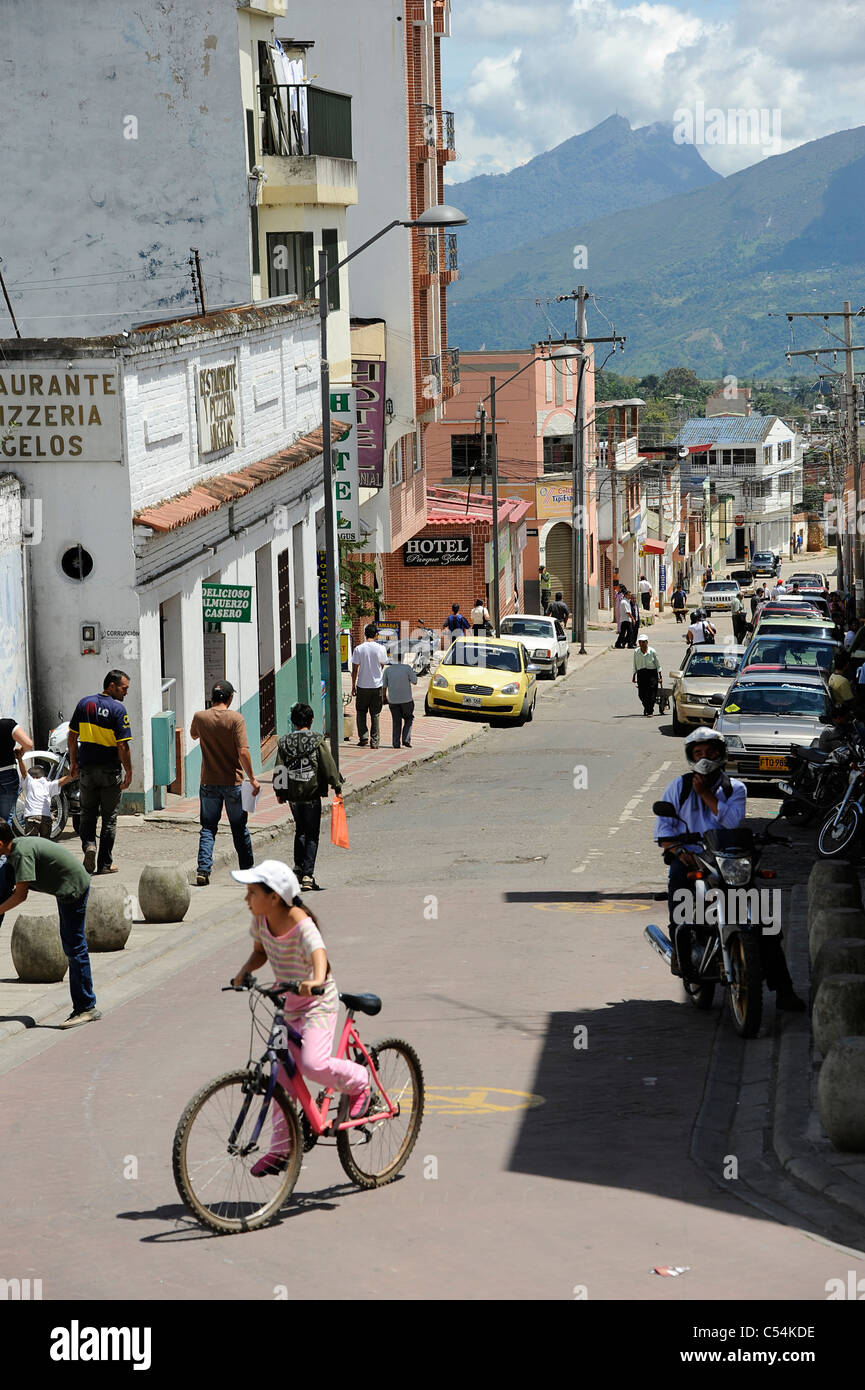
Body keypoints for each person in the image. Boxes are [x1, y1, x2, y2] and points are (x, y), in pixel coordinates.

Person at [229, 861, 372, 1173]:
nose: (246, 899)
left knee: (312, 1063)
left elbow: (319, 955)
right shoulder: (261, 919)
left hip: (317, 1004)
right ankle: (281, 1149)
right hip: (286, 1005)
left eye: (252, 892)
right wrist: (244, 972)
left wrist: (317, 981)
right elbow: (260, 952)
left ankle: (360, 1083)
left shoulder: (301, 923)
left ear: (275, 897)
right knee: (280, 1078)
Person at [654, 729, 805, 1009]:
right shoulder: (678, 787)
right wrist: (677, 850)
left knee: (764, 923)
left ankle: (785, 991)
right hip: (690, 858)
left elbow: (732, 824)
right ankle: (682, 954)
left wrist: (705, 795)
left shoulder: (735, 788)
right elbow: (664, 830)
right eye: (698, 753)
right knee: (681, 892)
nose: (704, 758)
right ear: (690, 756)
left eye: (709, 751)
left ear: (720, 754)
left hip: (726, 860)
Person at [0, 819, 100, 1027]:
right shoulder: (15, 848)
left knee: (74, 947)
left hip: (73, 888)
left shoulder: (20, 854)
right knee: (5, 875)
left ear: (0, 843)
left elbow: (20, 896)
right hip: (63, 882)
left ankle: (86, 1007)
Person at [190, 681, 260, 887]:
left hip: (208, 782)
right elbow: (243, 752)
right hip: (233, 782)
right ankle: (248, 871)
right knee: (239, 828)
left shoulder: (200, 717)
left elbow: (194, 734)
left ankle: (203, 869)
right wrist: (253, 778)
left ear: (213, 697)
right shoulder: (235, 719)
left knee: (208, 827)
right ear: (229, 698)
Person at [68, 669, 132, 877]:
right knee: (109, 818)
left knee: (87, 813)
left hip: (87, 770)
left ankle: (89, 846)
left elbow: (72, 735)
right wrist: (129, 771)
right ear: (111, 686)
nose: (126, 692)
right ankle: (104, 864)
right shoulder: (118, 709)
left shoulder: (84, 704)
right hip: (109, 772)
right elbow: (123, 746)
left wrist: (73, 762)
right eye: (124, 688)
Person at [274, 703, 343, 893]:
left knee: (300, 830)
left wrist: (280, 792)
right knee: (311, 834)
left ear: (293, 721)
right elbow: (328, 765)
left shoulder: (284, 742)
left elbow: (279, 767)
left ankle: (298, 869)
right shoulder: (317, 740)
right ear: (311, 721)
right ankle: (308, 875)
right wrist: (336, 785)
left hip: (293, 797)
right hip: (312, 794)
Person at [15, 750, 73, 838]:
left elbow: (23, 772)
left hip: (32, 817)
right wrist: (72, 775)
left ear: (32, 777)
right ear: (43, 776)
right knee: (45, 842)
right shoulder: (48, 784)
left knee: (31, 842)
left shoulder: (30, 781)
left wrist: (19, 759)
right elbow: (61, 782)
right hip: (46, 817)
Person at [350, 622, 389, 749]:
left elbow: (355, 668)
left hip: (362, 686)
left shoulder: (358, 649)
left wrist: (353, 686)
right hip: (376, 686)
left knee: (361, 712)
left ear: (365, 634)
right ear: (376, 635)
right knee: (375, 714)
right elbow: (382, 664)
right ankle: (375, 741)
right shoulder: (381, 648)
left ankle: (363, 737)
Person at [382, 644, 418, 750]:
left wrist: (384, 697)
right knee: (409, 718)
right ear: (402, 657)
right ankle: (406, 739)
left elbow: (384, 686)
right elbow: (415, 681)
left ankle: (396, 743)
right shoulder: (407, 668)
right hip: (407, 700)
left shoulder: (388, 670)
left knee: (396, 721)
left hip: (393, 700)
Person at [0, 716, 33, 824]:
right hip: (7, 774)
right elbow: (28, 744)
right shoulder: (7, 724)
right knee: (6, 817)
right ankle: (4, 840)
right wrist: (21, 751)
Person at [633, 636, 662, 715]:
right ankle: (647, 707)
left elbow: (657, 664)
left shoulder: (652, 651)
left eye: (644, 642)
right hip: (641, 673)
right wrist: (634, 675)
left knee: (652, 693)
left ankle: (650, 710)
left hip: (652, 673)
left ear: (647, 642)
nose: (642, 644)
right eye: (640, 642)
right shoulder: (636, 652)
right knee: (641, 694)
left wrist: (660, 676)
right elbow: (635, 664)